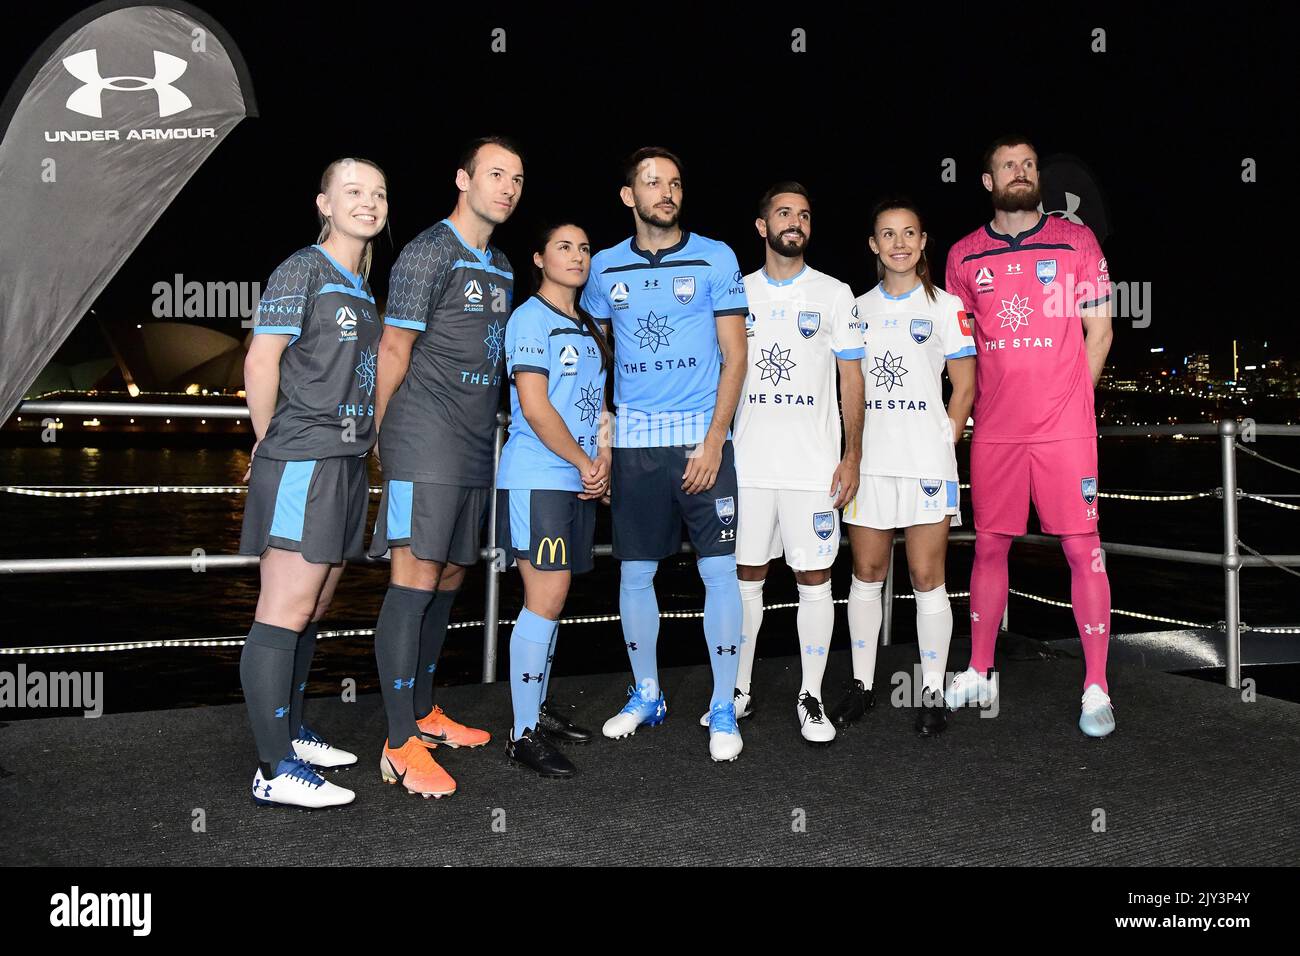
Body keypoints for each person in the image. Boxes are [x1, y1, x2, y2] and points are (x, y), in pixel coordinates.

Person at [942, 135, 1116, 737]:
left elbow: (1100, 332)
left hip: (1066, 432)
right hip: (996, 430)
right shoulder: (963, 256)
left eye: (1029, 164)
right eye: (1008, 166)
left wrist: (1070, 404)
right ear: (988, 182)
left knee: (1082, 548)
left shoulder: (1075, 242)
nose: (1021, 172)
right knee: (989, 547)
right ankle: (979, 670)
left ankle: (1097, 686)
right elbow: (960, 348)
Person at [580, 147, 750, 762]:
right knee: (635, 574)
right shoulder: (603, 267)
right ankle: (647, 693)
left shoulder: (716, 256)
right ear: (629, 196)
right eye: (653, 183)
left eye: (674, 182)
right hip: (634, 447)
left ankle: (724, 704)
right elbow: (596, 364)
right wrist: (601, 441)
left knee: (719, 573)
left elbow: (736, 356)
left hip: (701, 442)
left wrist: (713, 440)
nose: (666, 192)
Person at [368, 136, 522, 798]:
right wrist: (379, 436)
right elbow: (393, 348)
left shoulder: (504, 265)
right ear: (463, 179)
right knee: (415, 576)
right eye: (496, 174)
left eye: (517, 179)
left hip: (473, 446)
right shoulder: (428, 251)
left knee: (453, 574)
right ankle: (398, 742)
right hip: (421, 438)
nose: (508, 187)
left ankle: (424, 711)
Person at [238, 157, 388, 808]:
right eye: (353, 191)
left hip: (347, 462)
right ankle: (273, 769)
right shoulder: (303, 269)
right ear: (324, 204)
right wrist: (269, 440)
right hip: (304, 458)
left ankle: (292, 732)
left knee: (316, 607)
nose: (369, 202)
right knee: (283, 610)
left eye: (379, 193)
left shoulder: (361, 284)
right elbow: (260, 359)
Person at [724, 181, 864, 745]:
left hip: (813, 470)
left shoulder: (835, 293)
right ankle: (736, 689)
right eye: (784, 213)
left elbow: (852, 380)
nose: (795, 223)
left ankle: (811, 695)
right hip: (749, 466)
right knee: (745, 578)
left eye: (804, 215)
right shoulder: (735, 292)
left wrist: (852, 455)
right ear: (762, 226)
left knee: (815, 578)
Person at [839, 198, 975, 737]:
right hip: (869, 464)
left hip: (926, 465)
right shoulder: (855, 308)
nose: (899, 243)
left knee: (926, 576)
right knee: (867, 573)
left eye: (909, 233)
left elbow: (964, 385)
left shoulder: (947, 306)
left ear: (922, 242)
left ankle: (933, 691)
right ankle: (861, 685)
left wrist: (945, 440)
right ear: (874, 244)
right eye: (888, 234)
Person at [496, 223, 611, 777]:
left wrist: (603, 457)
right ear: (539, 258)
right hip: (538, 476)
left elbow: (599, 403)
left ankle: (537, 710)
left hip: (578, 477)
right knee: (546, 595)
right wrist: (585, 462)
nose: (577, 256)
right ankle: (521, 734)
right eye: (564, 247)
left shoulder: (587, 323)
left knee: (555, 598)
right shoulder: (529, 319)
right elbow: (536, 407)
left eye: (585, 248)